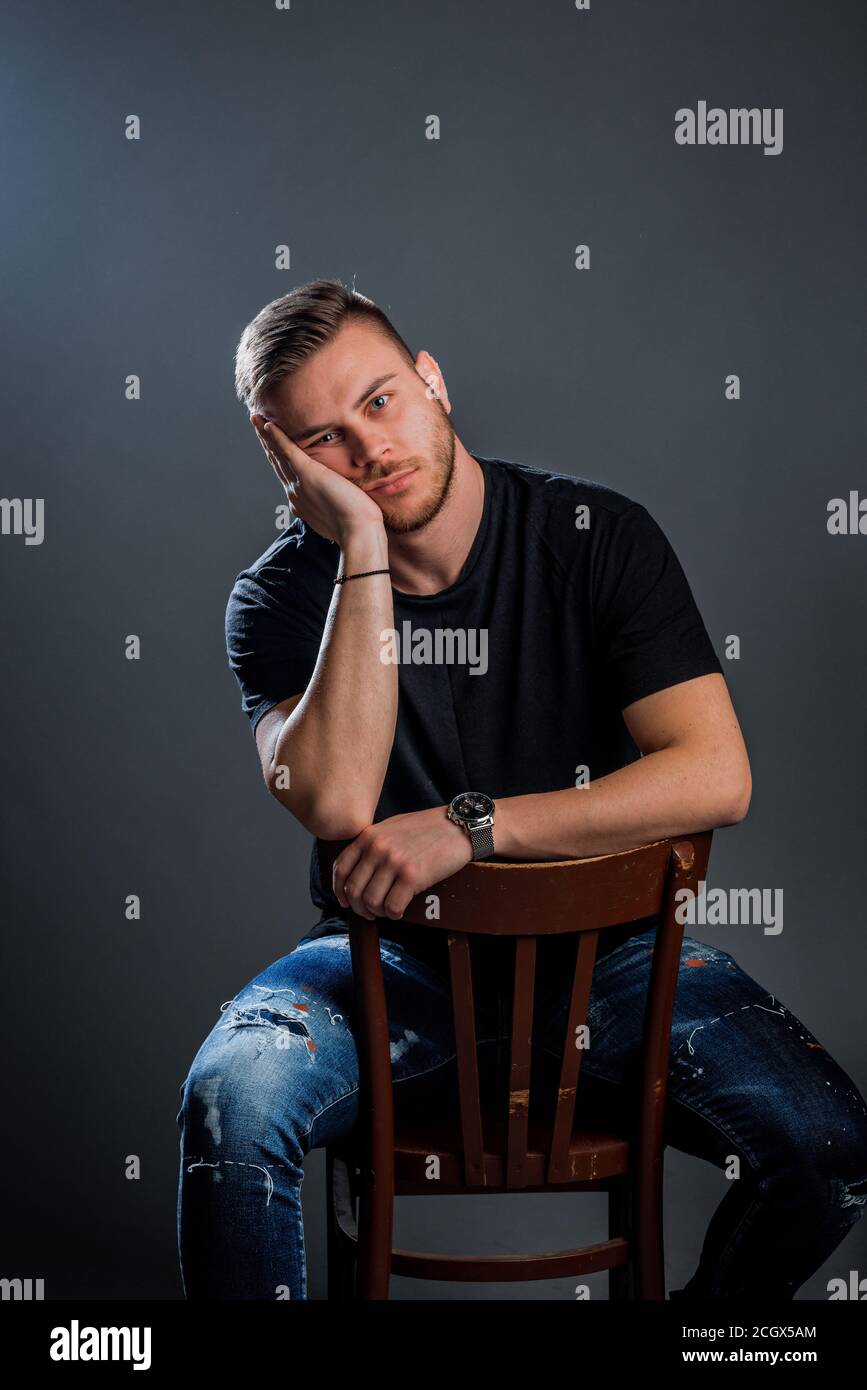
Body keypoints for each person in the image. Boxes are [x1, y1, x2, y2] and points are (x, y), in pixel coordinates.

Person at [175, 278, 867, 1300]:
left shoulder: (596, 536)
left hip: (613, 967)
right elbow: (333, 803)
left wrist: (475, 828)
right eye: (322, 440)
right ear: (280, 459)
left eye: (379, 402)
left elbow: (716, 772)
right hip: (386, 970)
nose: (367, 451)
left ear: (432, 381)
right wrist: (362, 548)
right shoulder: (278, 597)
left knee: (828, 1143)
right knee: (232, 1105)